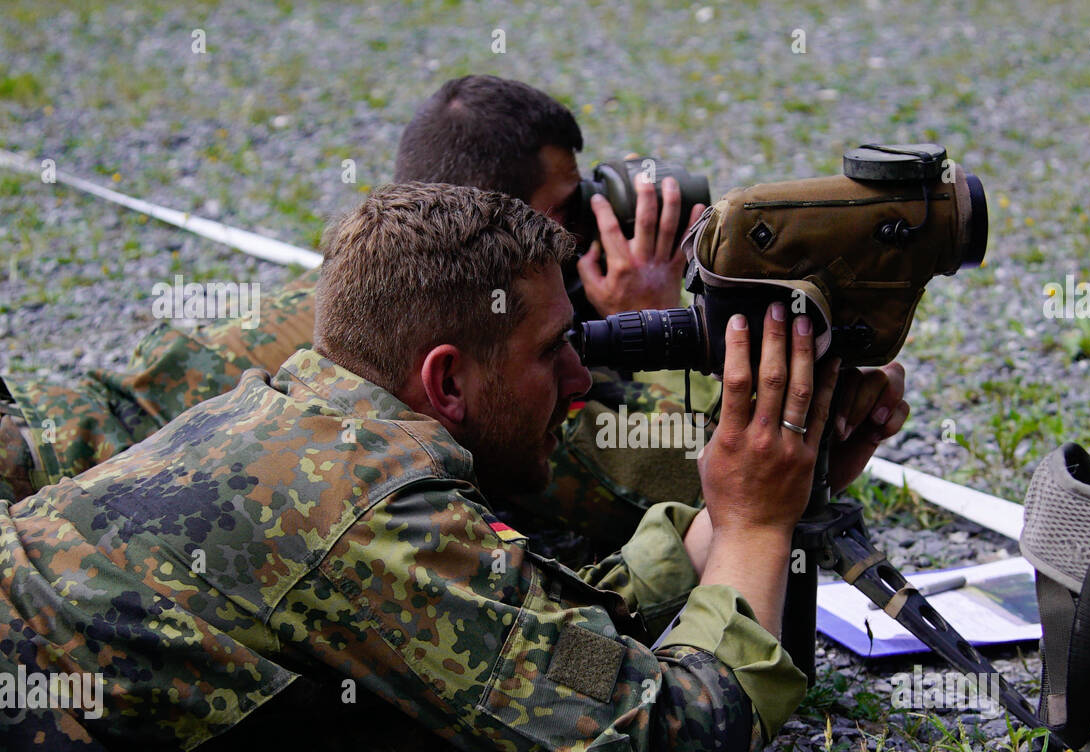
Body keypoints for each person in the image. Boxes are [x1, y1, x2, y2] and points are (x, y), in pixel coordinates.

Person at [0, 183, 877, 752]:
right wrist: (759, 525)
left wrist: (725, 521)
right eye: (552, 350)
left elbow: (518, 635)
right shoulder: (371, 508)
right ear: (448, 382)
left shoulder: (300, 420)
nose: (581, 380)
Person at [0, 76, 908, 565]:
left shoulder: (367, 291)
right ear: (492, 225)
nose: (591, 225)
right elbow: (674, 483)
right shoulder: (463, 352)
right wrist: (661, 332)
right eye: (567, 209)